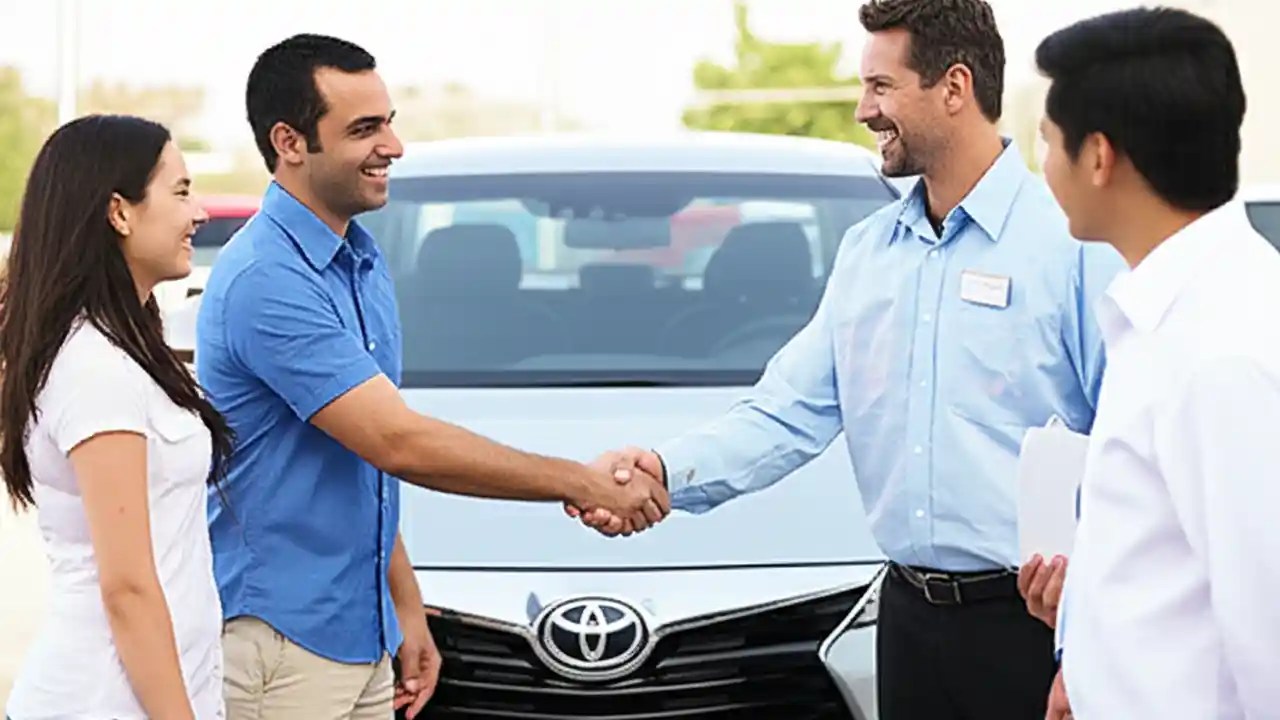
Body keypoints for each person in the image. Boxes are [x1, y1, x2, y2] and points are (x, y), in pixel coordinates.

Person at [573, 0, 1127, 717]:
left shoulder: (1071, 242)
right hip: (905, 622)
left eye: (881, 86)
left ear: (954, 88)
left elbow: (1132, 450)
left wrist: (1090, 645)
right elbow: (786, 414)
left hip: (1039, 626)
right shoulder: (868, 253)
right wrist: (662, 473)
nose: (864, 110)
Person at [195, 34, 668, 720]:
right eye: (365, 129)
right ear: (290, 142)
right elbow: (398, 442)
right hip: (283, 643)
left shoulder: (357, 259)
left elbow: (362, 465)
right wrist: (585, 482)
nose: (393, 145)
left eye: (388, 120)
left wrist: (405, 609)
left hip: (358, 632)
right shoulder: (269, 279)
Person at [1033, 8, 1280, 718]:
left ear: (1100, 157)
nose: (1042, 166)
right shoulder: (1167, 315)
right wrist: (1087, 666)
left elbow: (1268, 634)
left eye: (1049, 142)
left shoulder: (1222, 351)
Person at [1, 115, 232, 719]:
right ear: (119, 212)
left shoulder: (127, 350)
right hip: (103, 698)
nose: (198, 213)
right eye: (180, 192)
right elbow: (127, 588)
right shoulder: (95, 369)